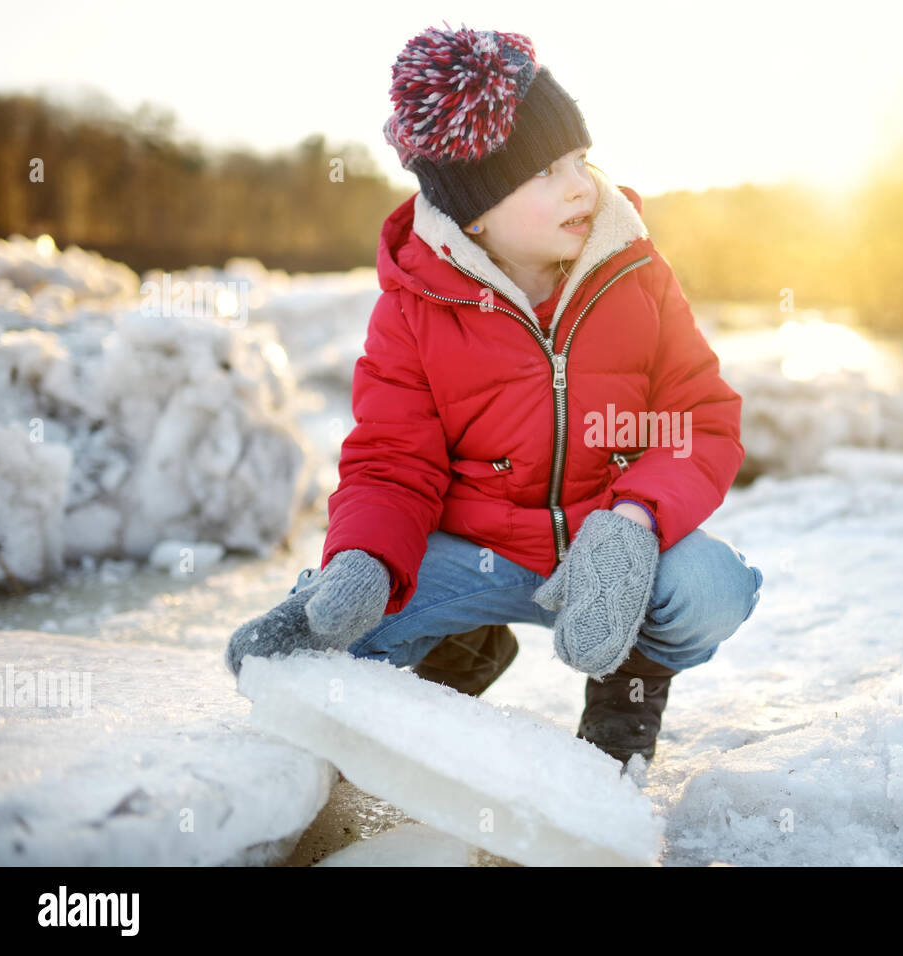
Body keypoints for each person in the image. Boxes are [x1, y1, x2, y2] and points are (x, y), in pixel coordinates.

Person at [225, 23, 764, 772]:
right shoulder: (415, 308)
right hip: (473, 552)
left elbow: (698, 418)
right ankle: (463, 644)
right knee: (355, 619)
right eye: (546, 170)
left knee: (709, 588)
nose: (582, 183)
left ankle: (622, 706)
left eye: (581, 157)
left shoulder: (635, 275)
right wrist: (363, 559)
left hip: (607, 551)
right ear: (475, 211)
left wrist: (635, 520)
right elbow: (390, 459)